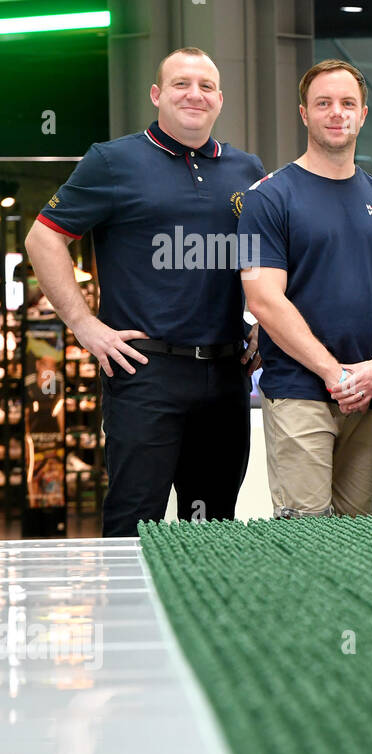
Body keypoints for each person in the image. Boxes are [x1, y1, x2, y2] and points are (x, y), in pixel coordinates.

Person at [25, 47, 264, 536]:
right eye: (180, 83)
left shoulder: (247, 170)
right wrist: (84, 326)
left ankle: (207, 615)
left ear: (220, 99)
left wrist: (264, 323)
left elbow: (264, 257)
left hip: (226, 373)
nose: (194, 94)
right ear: (157, 94)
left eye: (205, 86)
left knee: (214, 524)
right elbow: (43, 236)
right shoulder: (112, 161)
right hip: (145, 371)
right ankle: (131, 617)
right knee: (135, 522)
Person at [239, 59, 372, 517]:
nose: (336, 113)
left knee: (353, 534)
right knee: (307, 534)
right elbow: (263, 298)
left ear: (362, 115)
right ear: (304, 114)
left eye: (347, 104)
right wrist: (332, 373)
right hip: (301, 389)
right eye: (324, 103)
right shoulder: (270, 197)